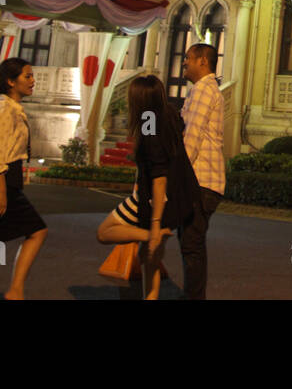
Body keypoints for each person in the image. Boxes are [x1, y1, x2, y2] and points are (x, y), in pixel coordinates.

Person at [96, 74, 200, 299]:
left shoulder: (148, 122)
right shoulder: (170, 115)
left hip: (155, 200)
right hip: (179, 198)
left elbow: (159, 174)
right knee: (149, 258)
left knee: (104, 231)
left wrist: (153, 226)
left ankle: (148, 234)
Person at [0, 58, 48, 299]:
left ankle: (14, 290)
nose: (33, 80)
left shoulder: (12, 108)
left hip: (1, 181)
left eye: (32, 75)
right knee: (31, 232)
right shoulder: (5, 109)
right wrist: (1, 191)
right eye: (27, 76)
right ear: (10, 81)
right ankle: (15, 290)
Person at [178, 42, 224, 299]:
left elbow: (192, 137)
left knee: (191, 244)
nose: (184, 63)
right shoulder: (203, 89)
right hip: (203, 181)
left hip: (201, 181)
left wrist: (178, 180)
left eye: (188, 58)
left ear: (202, 62)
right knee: (191, 244)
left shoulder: (204, 90)